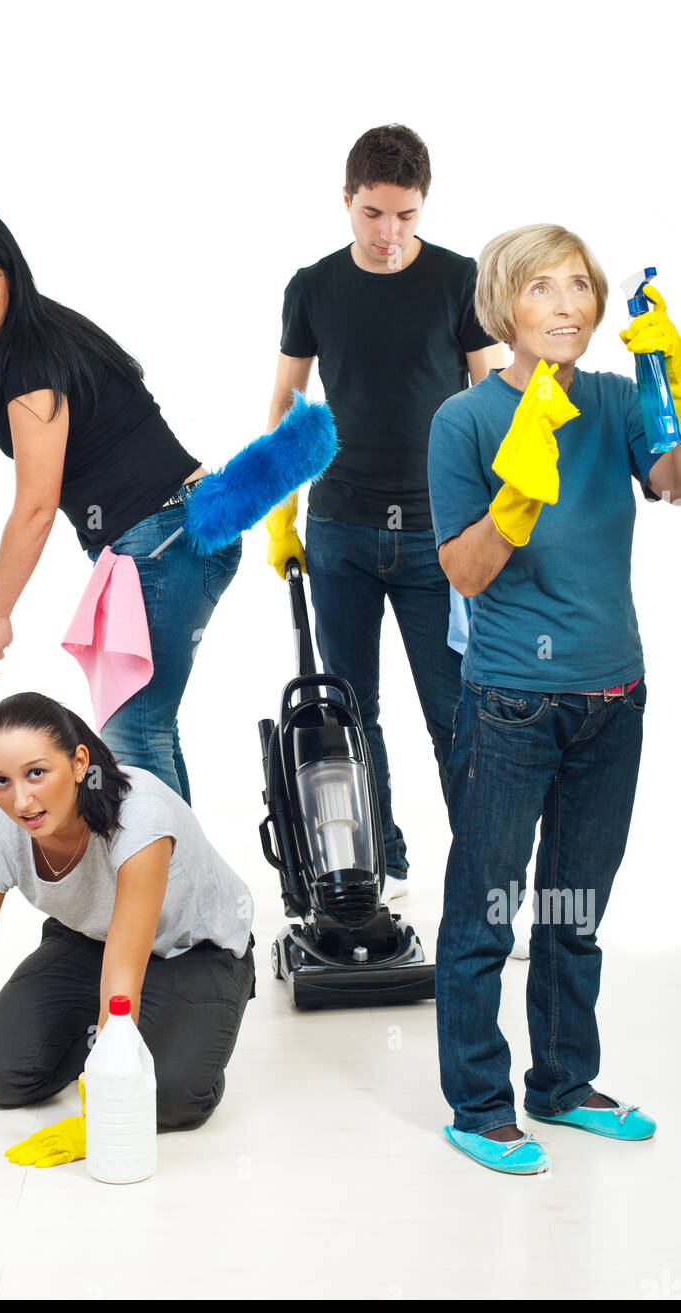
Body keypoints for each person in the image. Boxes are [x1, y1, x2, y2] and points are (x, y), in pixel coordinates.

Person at [426, 223, 680, 1174]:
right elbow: (463, 567)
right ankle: (479, 1104)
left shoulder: (615, 400)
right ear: (505, 305)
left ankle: (564, 1085)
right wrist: (516, 498)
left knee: (574, 911)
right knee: (487, 909)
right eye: (542, 287)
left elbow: (670, 483)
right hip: (512, 705)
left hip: (614, 696)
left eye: (581, 285)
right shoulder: (467, 422)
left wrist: (669, 396)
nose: (568, 303)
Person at [0, 694, 256, 1179]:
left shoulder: (140, 818)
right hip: (88, 940)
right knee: (0, 1073)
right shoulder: (2, 836)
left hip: (195, 951)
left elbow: (123, 974)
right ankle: (114, 1038)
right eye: (1, 781)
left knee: (177, 1093)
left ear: (79, 763)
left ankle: (171, 1033)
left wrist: (100, 1108)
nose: (21, 801)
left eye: (37, 773)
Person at [0, 204, 240, 802]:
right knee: (149, 730)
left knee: (135, 734)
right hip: (173, 533)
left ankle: (170, 895)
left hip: (164, 540)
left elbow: (36, 508)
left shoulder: (28, 362)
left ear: (9, 273)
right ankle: (185, 894)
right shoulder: (25, 342)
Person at [265, 125, 504, 892]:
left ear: (423, 204)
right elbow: (288, 402)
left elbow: (495, 400)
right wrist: (280, 511)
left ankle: (488, 882)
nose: (390, 233)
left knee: (458, 719)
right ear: (347, 201)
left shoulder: (460, 280)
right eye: (373, 214)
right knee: (350, 715)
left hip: (441, 536)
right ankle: (382, 865)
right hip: (339, 531)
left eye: (405, 215)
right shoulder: (312, 287)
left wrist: (497, 520)